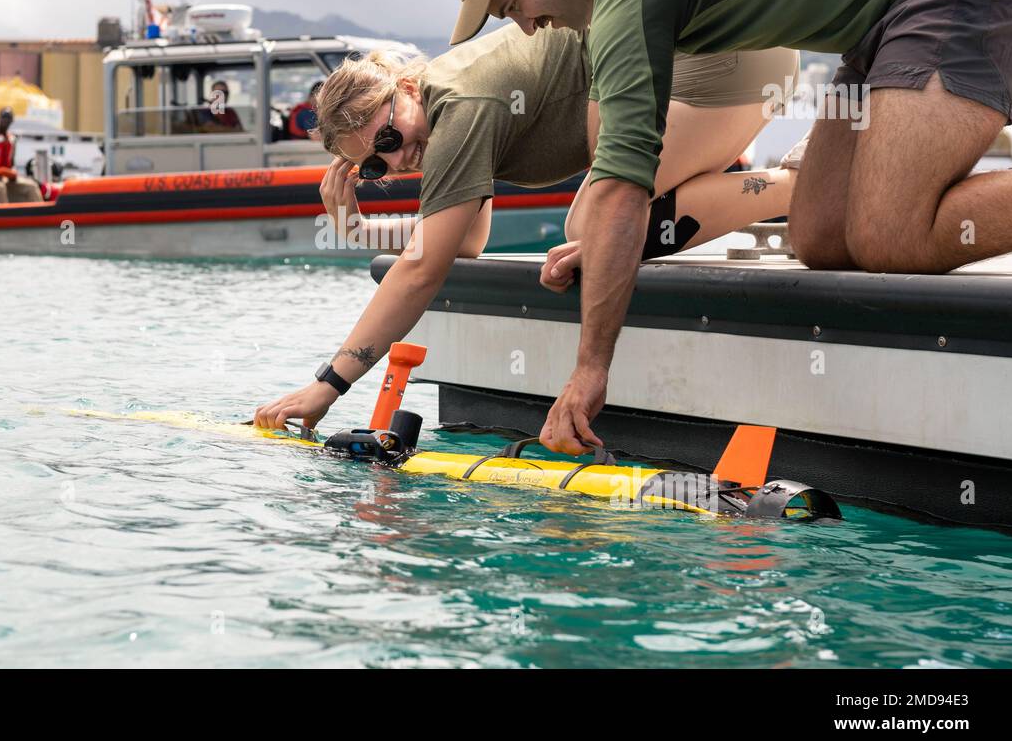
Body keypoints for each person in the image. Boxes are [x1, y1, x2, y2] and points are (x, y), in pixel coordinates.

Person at [444, 0, 1012, 455]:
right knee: (819, 234)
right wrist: (613, 243)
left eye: (511, 7)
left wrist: (589, 370)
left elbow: (622, 184)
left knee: (890, 235)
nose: (528, 28)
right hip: (876, 21)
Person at [252, 24, 798, 434]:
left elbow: (421, 270)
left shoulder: (462, 103)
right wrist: (357, 228)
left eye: (387, 141)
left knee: (593, 223)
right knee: (594, 225)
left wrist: (328, 386)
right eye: (373, 167)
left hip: (729, 64)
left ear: (407, 88)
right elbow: (464, 242)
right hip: (748, 60)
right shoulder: (449, 105)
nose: (393, 166)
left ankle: (800, 185)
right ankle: (788, 182)